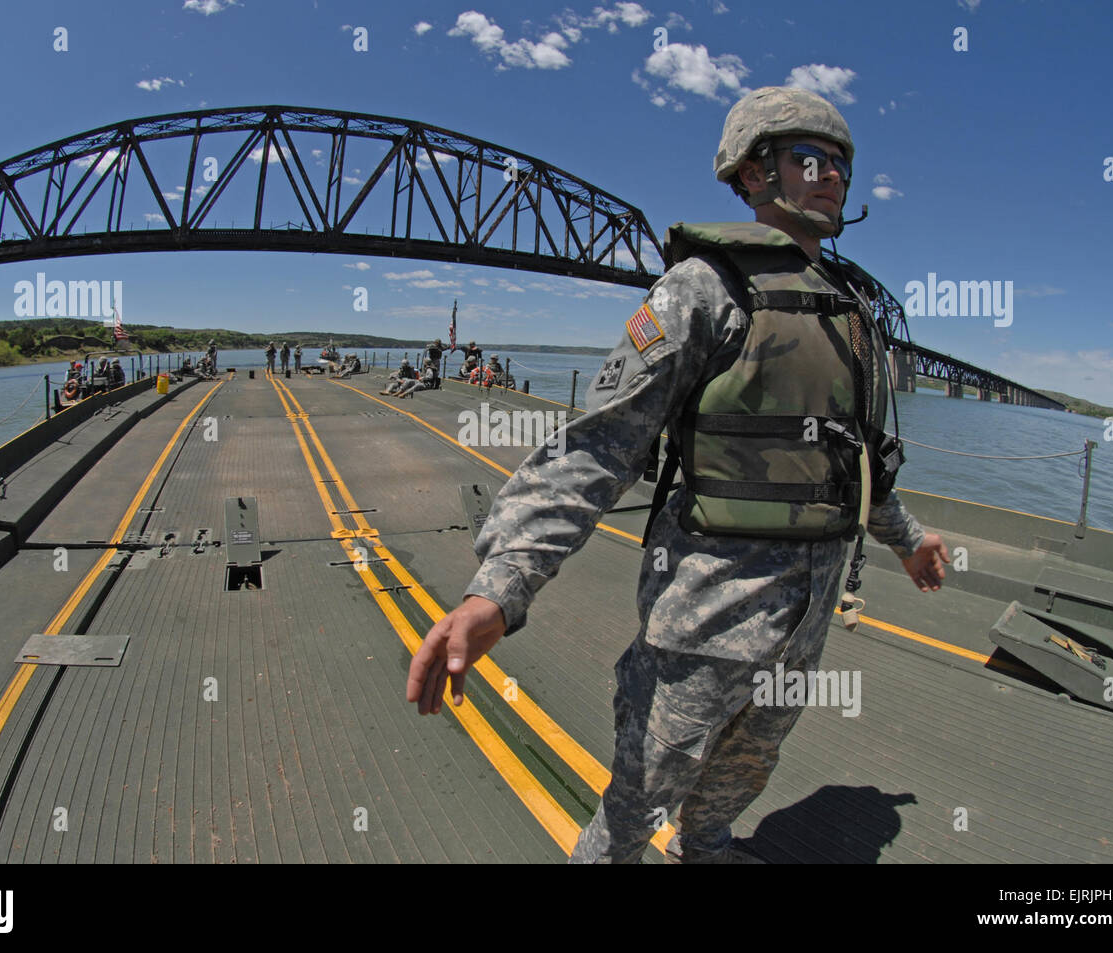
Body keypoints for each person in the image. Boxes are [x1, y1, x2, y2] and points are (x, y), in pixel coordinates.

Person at [405, 86, 949, 864]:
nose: (832, 174)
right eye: (809, 157)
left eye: (841, 163)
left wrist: (910, 539)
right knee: (636, 802)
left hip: (803, 626)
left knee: (746, 768)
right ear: (753, 174)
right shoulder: (702, 289)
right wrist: (501, 585)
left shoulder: (850, 314)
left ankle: (708, 845)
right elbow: (598, 446)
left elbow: (857, 462)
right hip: (702, 628)